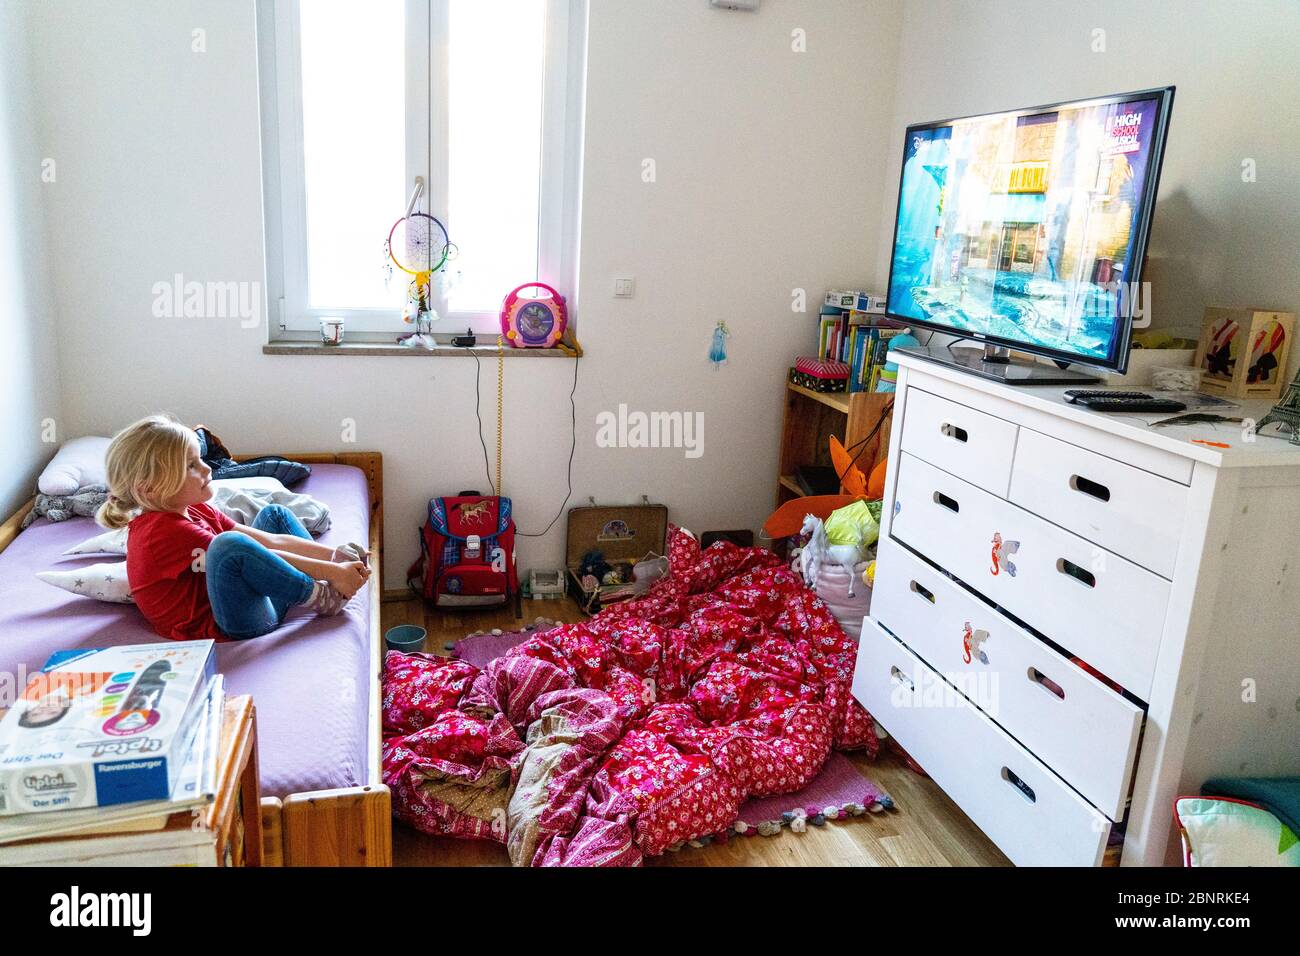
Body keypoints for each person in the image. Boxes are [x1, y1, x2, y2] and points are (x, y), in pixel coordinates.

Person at [97, 414, 370, 640]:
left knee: (274, 515)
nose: (206, 469)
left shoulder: (196, 508)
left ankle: (327, 579)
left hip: (254, 596)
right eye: (190, 466)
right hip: (234, 623)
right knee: (228, 546)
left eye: (200, 459)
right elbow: (252, 552)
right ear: (151, 488)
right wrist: (335, 573)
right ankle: (322, 596)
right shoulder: (162, 532)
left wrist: (334, 558)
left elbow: (269, 543)